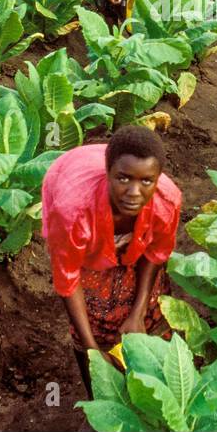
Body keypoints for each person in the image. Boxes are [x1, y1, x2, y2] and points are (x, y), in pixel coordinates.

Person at [41, 125, 181, 396]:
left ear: (158, 178)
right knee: (97, 313)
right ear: (107, 174)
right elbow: (68, 279)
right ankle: (99, 399)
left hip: (127, 233)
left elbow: (155, 254)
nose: (134, 192)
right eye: (123, 178)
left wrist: (138, 312)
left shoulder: (167, 200)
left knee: (151, 307)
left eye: (146, 181)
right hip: (71, 190)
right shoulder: (72, 212)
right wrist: (93, 350)